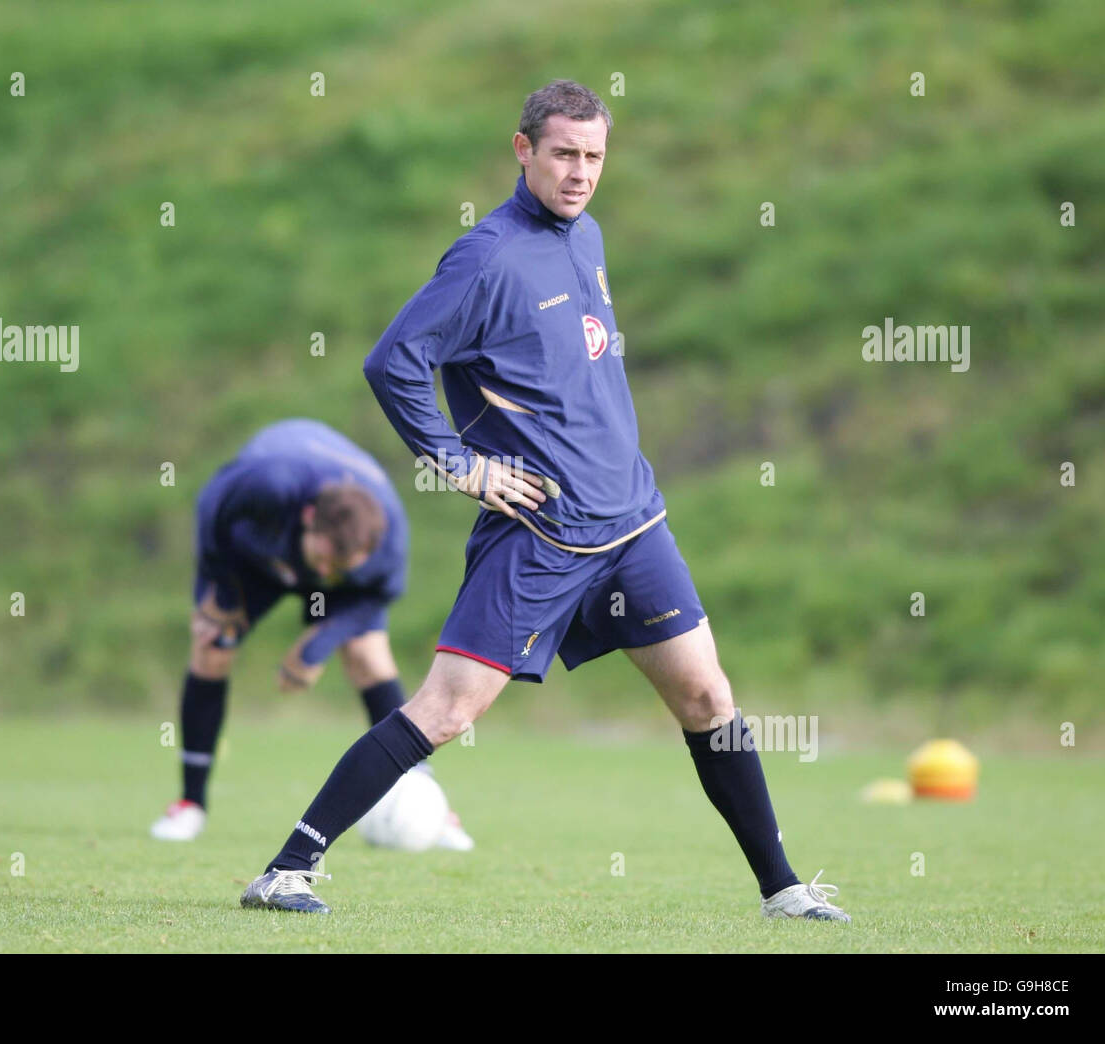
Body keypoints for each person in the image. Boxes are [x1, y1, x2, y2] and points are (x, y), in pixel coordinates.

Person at [240, 81, 848, 921]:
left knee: (709, 698)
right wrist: (459, 463)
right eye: (563, 153)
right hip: (542, 532)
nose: (580, 172)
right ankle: (287, 870)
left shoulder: (587, 234)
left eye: (595, 156)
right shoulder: (485, 257)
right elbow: (394, 361)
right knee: (449, 710)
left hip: (633, 524)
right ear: (522, 149)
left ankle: (784, 890)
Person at [150, 418, 473, 852]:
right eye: (323, 558)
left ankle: (428, 806)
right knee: (212, 647)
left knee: (368, 655)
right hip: (257, 556)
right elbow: (213, 505)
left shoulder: (384, 543)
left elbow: (374, 598)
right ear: (307, 518)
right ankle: (190, 804)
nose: (325, 574)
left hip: (330, 572)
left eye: (340, 566)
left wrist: (315, 646)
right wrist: (218, 589)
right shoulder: (268, 486)